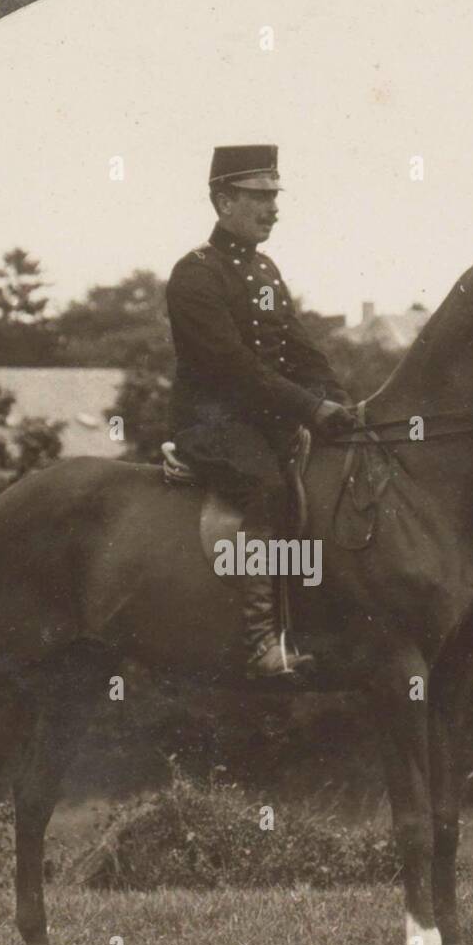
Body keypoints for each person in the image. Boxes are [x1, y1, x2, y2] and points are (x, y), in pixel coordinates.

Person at [165, 145, 357, 678]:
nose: (273, 208)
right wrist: (309, 407)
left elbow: (299, 349)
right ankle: (259, 644)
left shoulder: (265, 271)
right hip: (213, 422)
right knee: (267, 488)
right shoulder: (195, 275)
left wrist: (339, 404)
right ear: (223, 200)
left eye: (275, 196)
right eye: (259, 196)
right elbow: (231, 367)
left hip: (268, 420)